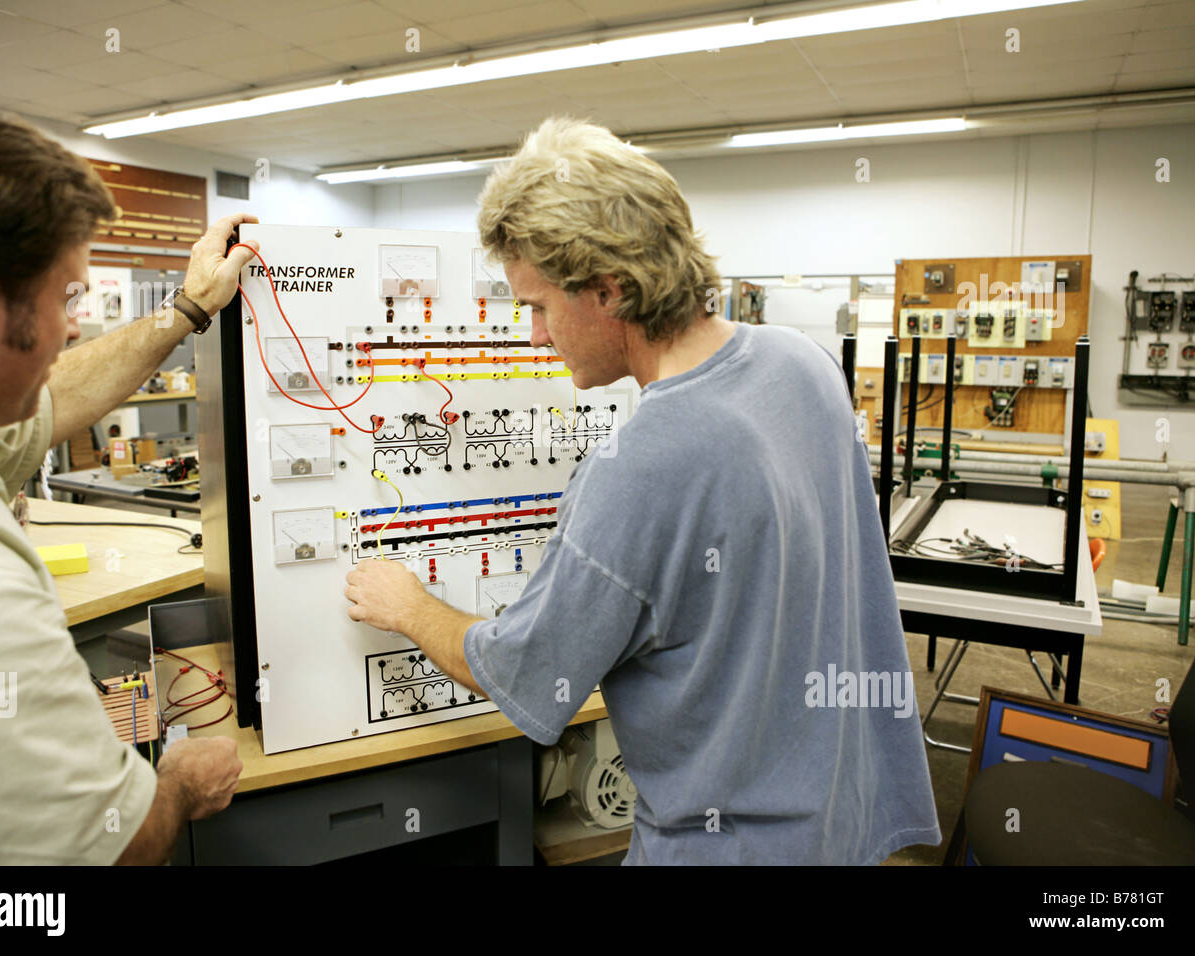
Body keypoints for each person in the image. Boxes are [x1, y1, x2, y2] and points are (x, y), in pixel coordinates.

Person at [345, 116, 942, 864]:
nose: (535, 336)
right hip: (843, 822)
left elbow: (526, 673)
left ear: (609, 290)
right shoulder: (803, 364)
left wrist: (409, 606)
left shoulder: (640, 464)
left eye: (537, 306)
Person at [0, 92, 254, 864]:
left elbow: (55, 393)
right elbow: (111, 849)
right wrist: (176, 784)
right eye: (65, 298)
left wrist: (191, 308)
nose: (75, 326)